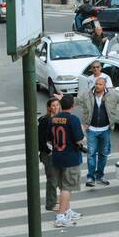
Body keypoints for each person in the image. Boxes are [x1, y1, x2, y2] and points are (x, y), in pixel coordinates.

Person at [76, 74, 119, 187]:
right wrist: (64, 99)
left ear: (105, 85)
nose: (97, 86)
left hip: (105, 129)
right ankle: (90, 178)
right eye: (96, 84)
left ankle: (100, 176)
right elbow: (77, 101)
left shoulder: (111, 95)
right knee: (91, 154)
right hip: (91, 130)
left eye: (100, 84)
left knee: (103, 154)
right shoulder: (87, 94)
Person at [49, 94, 86, 228]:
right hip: (70, 158)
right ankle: (60, 216)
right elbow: (78, 139)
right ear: (73, 106)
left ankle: (67, 211)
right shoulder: (73, 119)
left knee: (63, 186)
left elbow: (49, 138)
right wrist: (82, 130)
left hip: (57, 156)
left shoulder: (53, 119)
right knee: (67, 188)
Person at [38, 96, 63, 212]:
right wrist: (48, 152)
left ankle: (55, 199)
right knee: (52, 179)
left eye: (57, 105)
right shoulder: (45, 120)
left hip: (58, 153)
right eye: (53, 105)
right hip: (48, 154)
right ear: (49, 108)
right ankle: (50, 204)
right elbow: (41, 140)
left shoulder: (61, 119)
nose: (56, 107)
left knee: (59, 178)